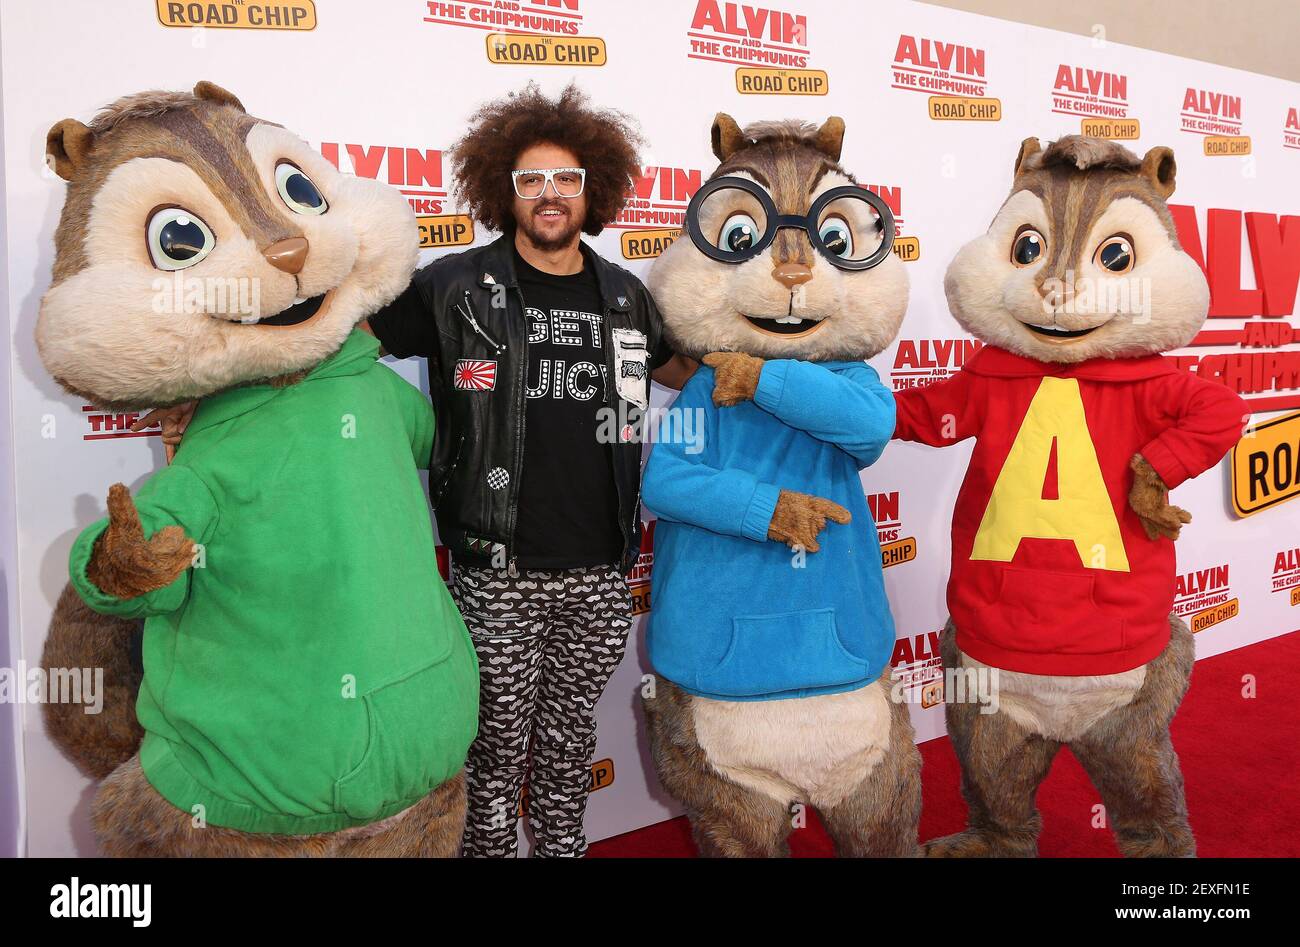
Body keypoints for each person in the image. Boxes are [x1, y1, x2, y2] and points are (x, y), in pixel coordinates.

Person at [140, 83, 693, 857]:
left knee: (571, 747)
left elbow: (687, 369)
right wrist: (207, 373)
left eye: (565, 179)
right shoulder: (453, 286)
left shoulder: (627, 296)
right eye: (530, 179)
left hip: (602, 568)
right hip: (498, 566)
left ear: (591, 188)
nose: (549, 194)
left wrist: (775, 365)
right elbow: (329, 334)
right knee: (495, 756)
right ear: (504, 189)